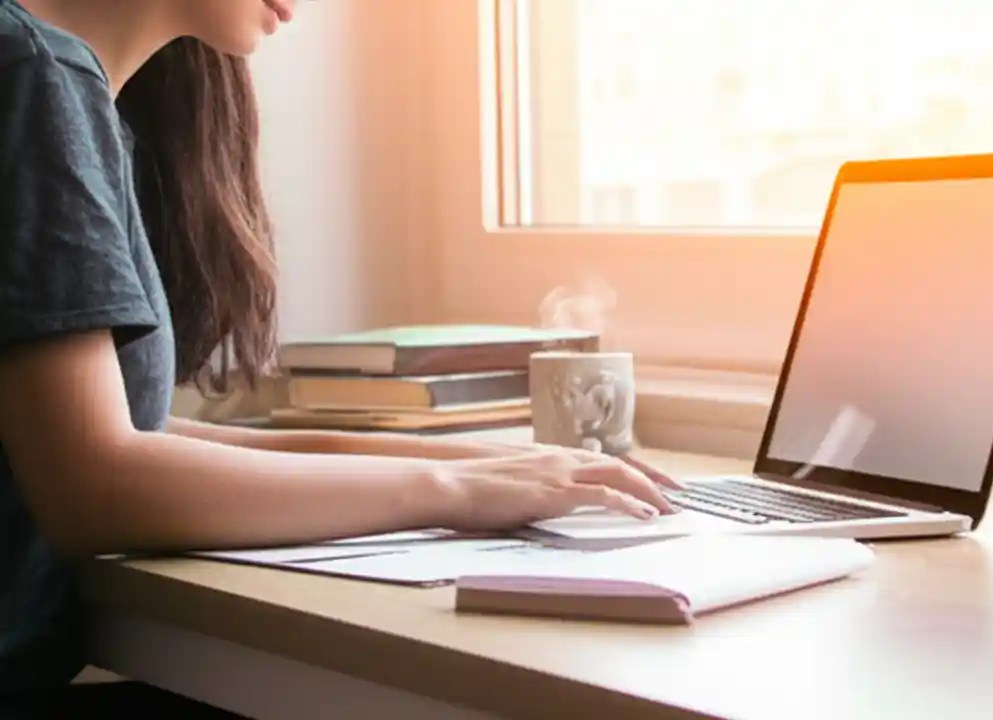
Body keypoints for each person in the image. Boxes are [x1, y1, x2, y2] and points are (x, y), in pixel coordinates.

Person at [0, 0, 677, 714]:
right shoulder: (31, 74)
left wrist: (473, 464)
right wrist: (456, 496)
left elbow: (122, 432)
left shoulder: (61, 83)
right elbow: (97, 482)